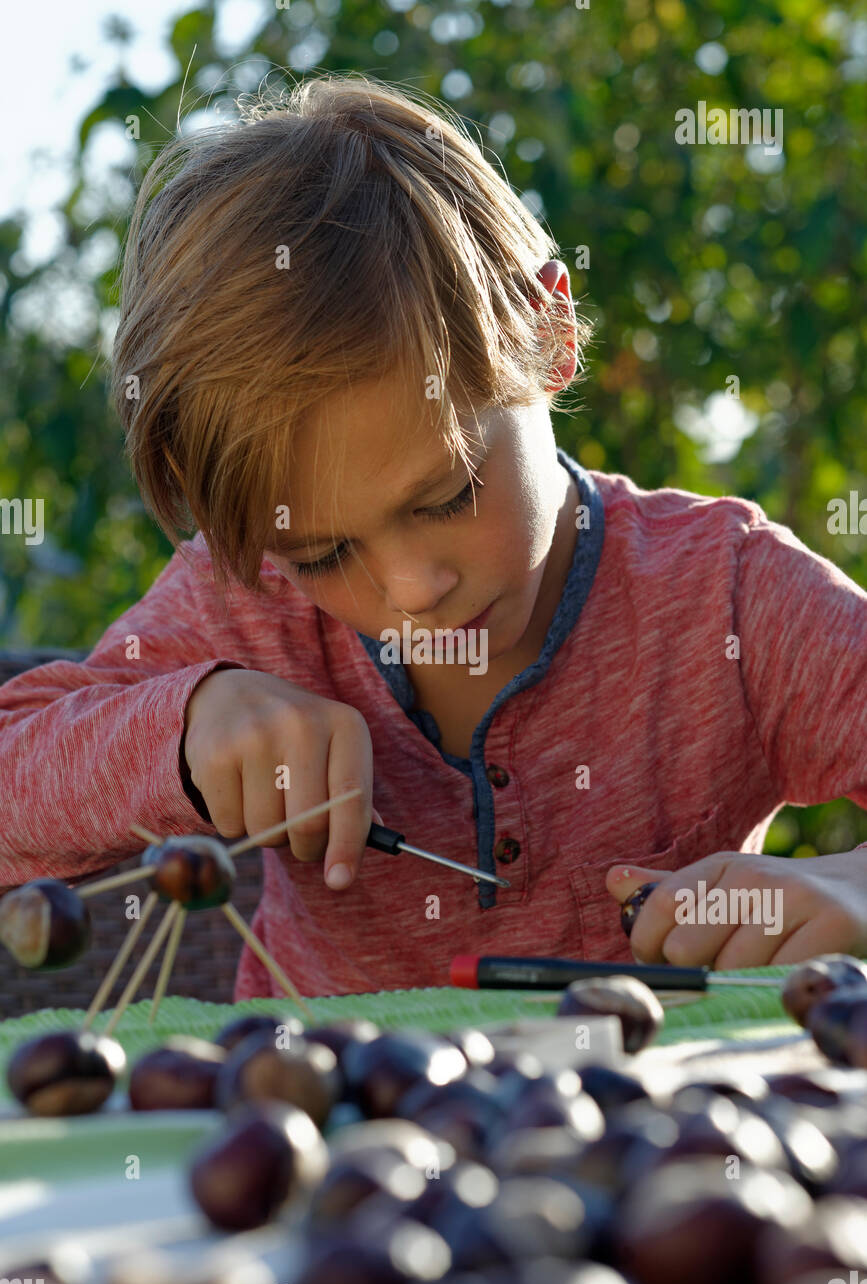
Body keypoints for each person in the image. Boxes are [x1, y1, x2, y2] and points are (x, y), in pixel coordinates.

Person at [1, 74, 865, 999]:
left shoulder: (725, 597)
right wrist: (180, 730)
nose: (411, 587)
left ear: (550, 328)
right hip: (323, 1131)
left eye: (446, 493)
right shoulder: (245, 609)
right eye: (325, 553)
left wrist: (849, 887)